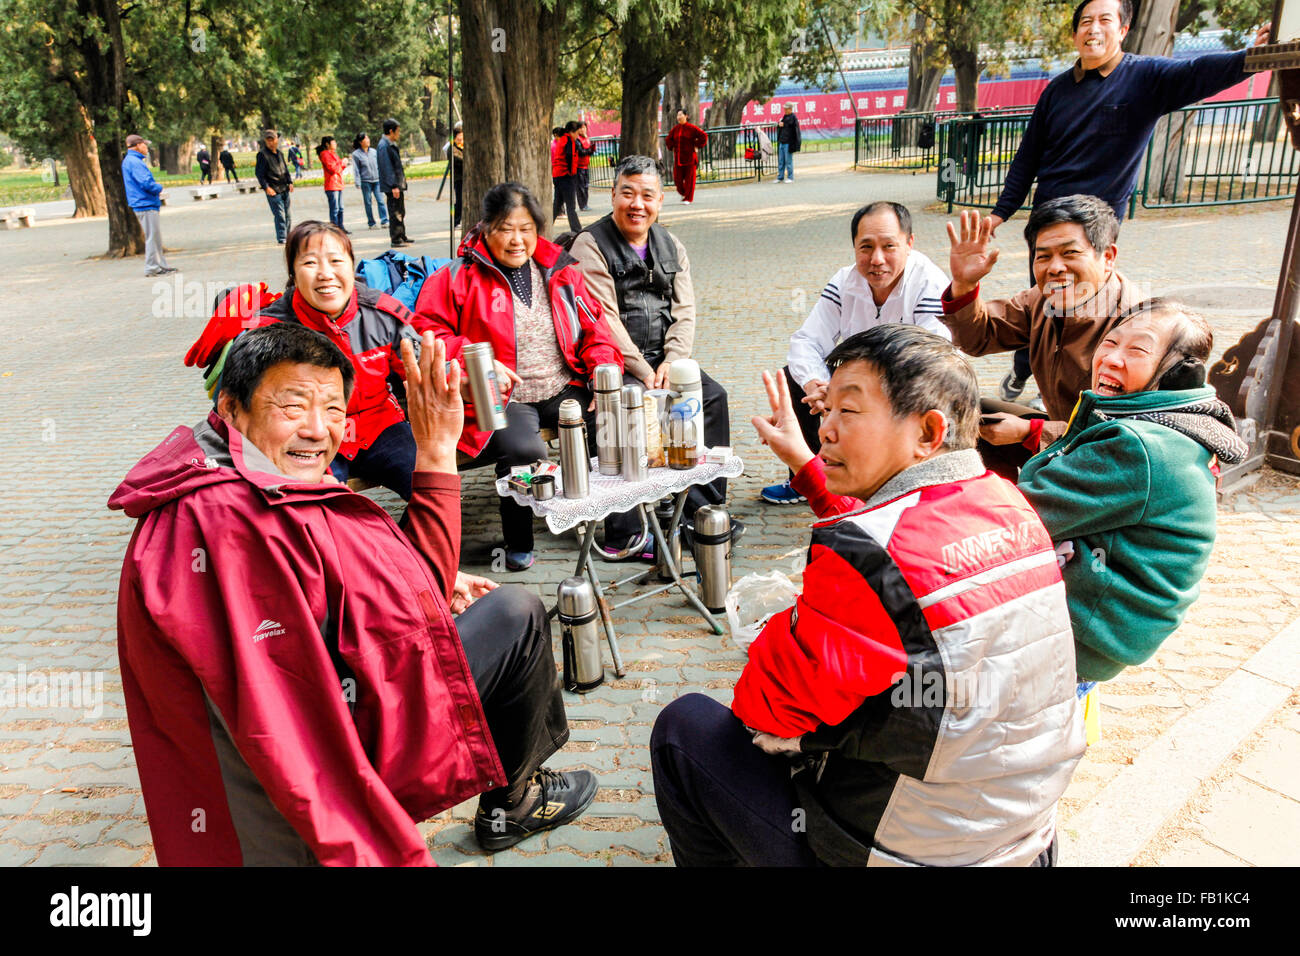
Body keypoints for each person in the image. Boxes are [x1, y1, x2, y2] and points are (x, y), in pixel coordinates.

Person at [110, 321, 598, 865]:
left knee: (508, 609)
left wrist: (415, 577)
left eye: (334, 410)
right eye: (293, 406)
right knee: (518, 613)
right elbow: (286, 729)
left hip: (348, 698)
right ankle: (514, 801)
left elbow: (354, 586)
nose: (318, 430)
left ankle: (510, 797)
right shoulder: (220, 523)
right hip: (319, 764)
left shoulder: (249, 472)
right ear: (231, 408)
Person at [650, 325, 1085, 866]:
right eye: (824, 409)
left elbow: (768, 711)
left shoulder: (858, 554)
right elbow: (901, 560)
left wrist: (788, 627)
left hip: (899, 850)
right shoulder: (1010, 503)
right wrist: (808, 469)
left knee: (683, 728)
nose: (824, 429)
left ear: (928, 432)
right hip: (1024, 839)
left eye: (847, 412)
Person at [987, 0, 1268, 403]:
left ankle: (1080, 393)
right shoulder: (1057, 91)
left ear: (1123, 29)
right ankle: (1026, 367)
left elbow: (1197, 73)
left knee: (1090, 312)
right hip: (1048, 221)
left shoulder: (1145, 78)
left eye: (1104, 20)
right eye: (1085, 21)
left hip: (1095, 228)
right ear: (1074, 34)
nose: (1093, 29)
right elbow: (1027, 157)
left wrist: (1248, 60)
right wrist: (1000, 213)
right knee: (1046, 306)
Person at [1017, 299, 1247, 683]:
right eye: (1110, 342)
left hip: (1072, 641)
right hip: (1101, 632)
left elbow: (1022, 513)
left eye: (1137, 349)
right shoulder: (1177, 423)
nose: (1110, 359)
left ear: (1179, 371)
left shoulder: (1138, 445)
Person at [414, 182, 623, 571]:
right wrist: (475, 360)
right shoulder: (457, 278)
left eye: (526, 228)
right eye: (506, 228)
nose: (516, 239)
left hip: (564, 384)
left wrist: (600, 370)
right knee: (525, 452)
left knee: (611, 417)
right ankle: (518, 541)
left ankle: (620, 530)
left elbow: (596, 328)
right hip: (504, 397)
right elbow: (426, 334)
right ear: (485, 228)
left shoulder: (559, 270)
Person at [569, 154, 735, 554]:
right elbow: (602, 315)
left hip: (665, 360)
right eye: (627, 193)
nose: (636, 204)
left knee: (711, 397)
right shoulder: (589, 244)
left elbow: (685, 311)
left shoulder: (671, 244)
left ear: (660, 201)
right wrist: (643, 370)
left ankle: (702, 515)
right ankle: (626, 531)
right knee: (622, 408)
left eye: (647, 195)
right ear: (613, 196)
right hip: (613, 360)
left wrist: (672, 364)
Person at [760, 200, 949, 505]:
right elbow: (806, 341)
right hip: (856, 375)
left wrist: (853, 394)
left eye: (889, 246)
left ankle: (890, 482)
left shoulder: (929, 283)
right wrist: (819, 386)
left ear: (909, 243)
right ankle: (806, 474)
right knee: (793, 377)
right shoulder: (845, 281)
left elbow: (931, 360)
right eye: (865, 247)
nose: (877, 259)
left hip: (910, 382)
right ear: (854, 248)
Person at [942, 194, 1141, 479]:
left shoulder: (1138, 325)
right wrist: (964, 284)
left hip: (1117, 461)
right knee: (972, 414)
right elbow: (979, 338)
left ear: (1107, 257)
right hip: (1066, 431)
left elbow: (1127, 433)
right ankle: (1002, 507)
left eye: (1070, 253)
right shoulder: (1042, 299)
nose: (1055, 267)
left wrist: (1032, 432)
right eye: (1043, 256)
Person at [245, 221, 426, 499]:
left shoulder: (383, 314)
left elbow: (422, 372)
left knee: (431, 487)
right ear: (293, 272)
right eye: (310, 263)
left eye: (336, 261)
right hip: (309, 434)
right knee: (316, 502)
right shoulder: (270, 330)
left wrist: (463, 377)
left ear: (351, 266)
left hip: (379, 425)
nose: (325, 274)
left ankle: (400, 544)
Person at [121, 133, 176, 278]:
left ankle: (161, 265)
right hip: (145, 203)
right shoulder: (134, 162)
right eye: (144, 144)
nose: (146, 148)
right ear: (138, 145)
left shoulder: (132, 160)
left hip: (144, 203)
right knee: (152, 237)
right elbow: (145, 183)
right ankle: (152, 267)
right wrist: (158, 187)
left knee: (155, 237)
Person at [255, 129, 295, 244]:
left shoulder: (280, 153)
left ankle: (288, 235)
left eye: (272, 139)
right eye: (268, 140)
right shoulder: (262, 155)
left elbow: (285, 170)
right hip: (273, 189)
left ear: (277, 140)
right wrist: (266, 187)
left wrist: (290, 182)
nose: (270, 142)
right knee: (280, 214)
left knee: (288, 214)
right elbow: (259, 174)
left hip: (284, 188)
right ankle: (282, 237)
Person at [377, 118, 412, 247]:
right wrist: (394, 186)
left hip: (397, 184)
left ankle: (402, 235)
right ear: (391, 131)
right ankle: (396, 239)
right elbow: (387, 167)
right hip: (393, 186)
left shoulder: (389, 144)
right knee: (395, 212)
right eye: (397, 131)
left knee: (400, 211)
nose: (399, 134)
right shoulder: (384, 146)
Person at [664, 109, 707, 204]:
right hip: (678, 159)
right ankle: (684, 193)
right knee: (677, 180)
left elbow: (703, 136)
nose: (678, 117)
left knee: (689, 180)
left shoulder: (692, 128)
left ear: (686, 116)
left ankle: (688, 198)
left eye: (680, 115)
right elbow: (668, 139)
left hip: (690, 158)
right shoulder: (675, 129)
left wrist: (696, 144)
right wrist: (672, 147)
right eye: (677, 115)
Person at [351, 132, 388, 229]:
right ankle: (371, 223)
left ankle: (384, 221)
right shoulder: (356, 154)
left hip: (377, 181)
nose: (368, 140)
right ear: (360, 142)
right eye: (365, 139)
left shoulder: (374, 152)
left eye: (368, 138)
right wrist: (357, 182)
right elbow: (356, 170)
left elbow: (380, 165)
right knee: (368, 202)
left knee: (380, 201)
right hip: (365, 181)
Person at [551, 123, 581, 234]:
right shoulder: (569, 141)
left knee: (557, 204)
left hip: (558, 175)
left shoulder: (562, 139)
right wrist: (571, 173)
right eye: (577, 133)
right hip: (565, 176)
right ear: (572, 132)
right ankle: (577, 229)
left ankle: (545, 226)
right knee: (570, 206)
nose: (577, 136)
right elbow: (569, 156)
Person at [315, 135, 348, 231]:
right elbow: (333, 169)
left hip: (338, 184)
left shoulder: (333, 154)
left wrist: (342, 164)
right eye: (333, 142)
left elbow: (339, 168)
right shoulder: (325, 154)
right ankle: (335, 228)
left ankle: (340, 227)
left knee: (341, 208)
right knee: (335, 209)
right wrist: (342, 162)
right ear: (327, 144)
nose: (336, 144)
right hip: (332, 185)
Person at [775, 103, 800, 183]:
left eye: (786, 109)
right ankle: (780, 177)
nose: (785, 110)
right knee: (781, 161)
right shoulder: (785, 117)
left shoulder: (793, 117)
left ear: (790, 109)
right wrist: (780, 124)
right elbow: (782, 125)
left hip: (788, 143)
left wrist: (784, 124)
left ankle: (790, 177)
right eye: (784, 109)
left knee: (788, 161)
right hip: (782, 142)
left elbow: (792, 127)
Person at [574, 122, 596, 210]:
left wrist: (591, 150)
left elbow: (587, 152)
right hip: (579, 167)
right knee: (580, 187)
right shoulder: (577, 140)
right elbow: (581, 152)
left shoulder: (587, 138)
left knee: (586, 186)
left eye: (584, 127)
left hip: (585, 166)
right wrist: (589, 150)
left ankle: (585, 204)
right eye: (581, 128)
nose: (583, 130)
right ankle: (582, 205)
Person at [449, 125, 465, 228]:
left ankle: (460, 219)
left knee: (463, 200)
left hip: (464, 177)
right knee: (459, 200)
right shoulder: (452, 149)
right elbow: (459, 160)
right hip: (458, 178)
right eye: (460, 137)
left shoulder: (462, 146)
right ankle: (456, 221)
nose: (461, 139)